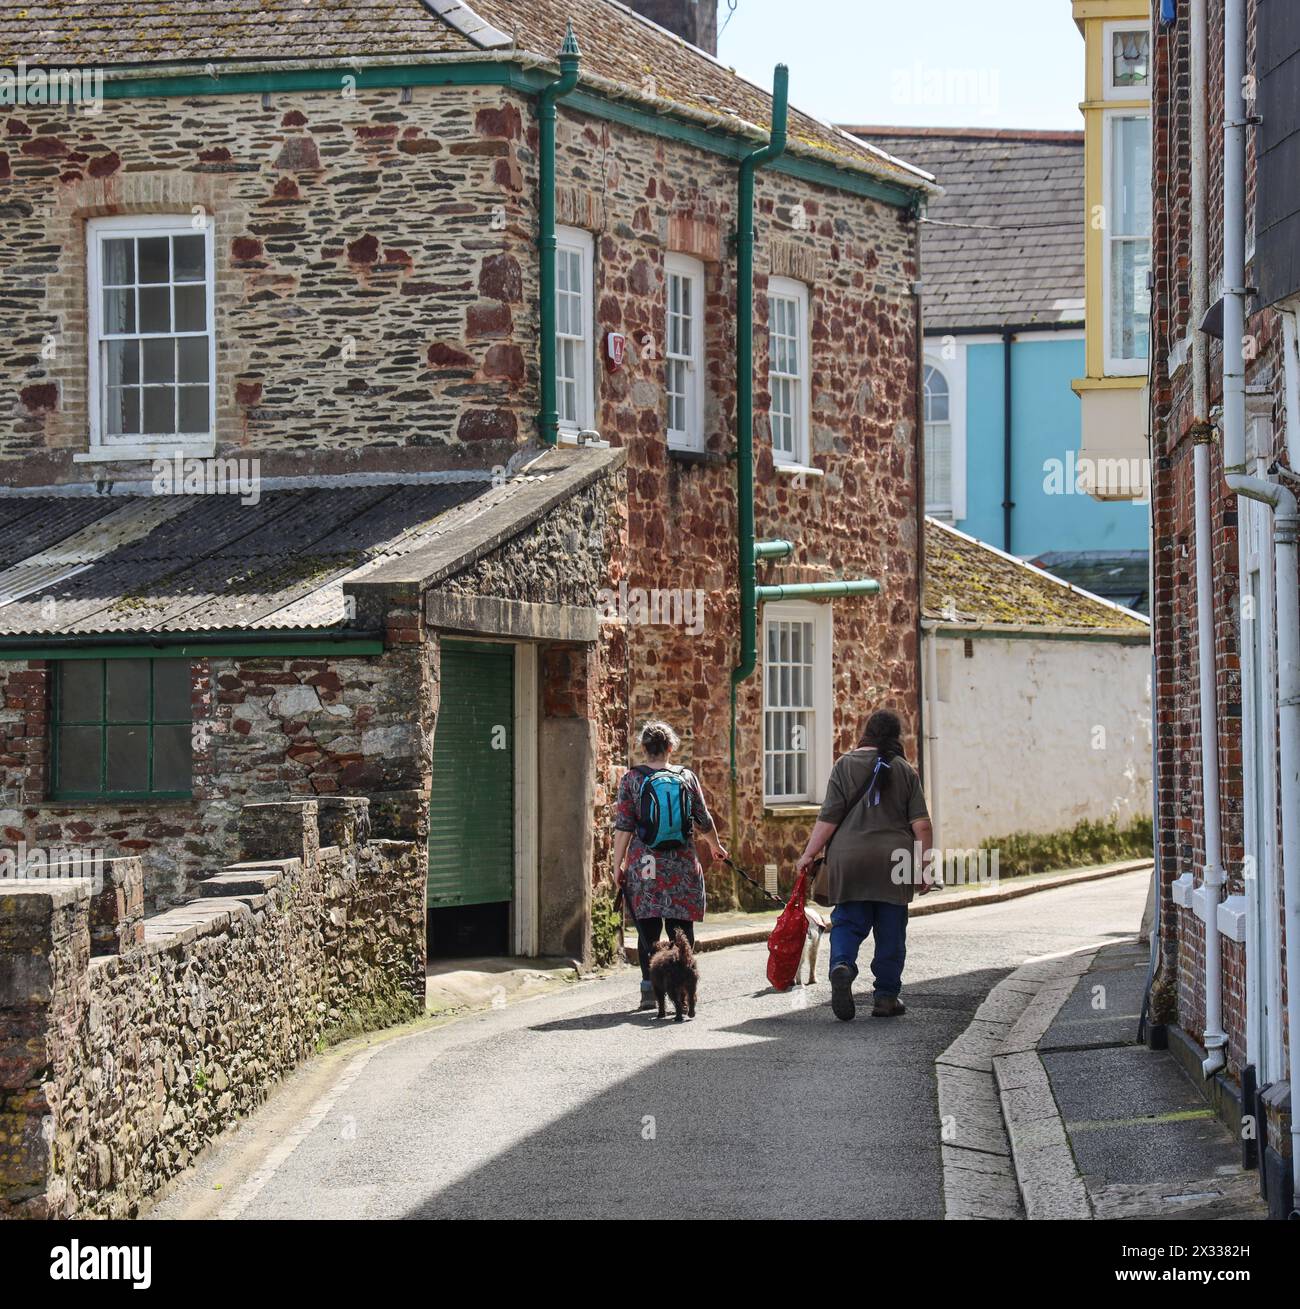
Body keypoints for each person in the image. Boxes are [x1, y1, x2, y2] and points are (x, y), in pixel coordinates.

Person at [795, 709, 935, 1021]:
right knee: (891, 932)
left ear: (866, 732)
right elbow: (922, 827)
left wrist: (808, 854)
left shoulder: (844, 765)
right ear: (896, 737)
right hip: (894, 862)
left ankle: (842, 965)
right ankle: (886, 997)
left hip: (849, 858)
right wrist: (925, 868)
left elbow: (828, 818)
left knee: (847, 922)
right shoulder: (905, 771)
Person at [613, 721, 726, 1010]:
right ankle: (684, 988)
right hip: (682, 865)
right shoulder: (686, 777)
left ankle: (650, 990)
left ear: (644, 748)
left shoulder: (631, 780)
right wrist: (715, 846)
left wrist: (617, 865)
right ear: (671, 747)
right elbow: (703, 819)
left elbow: (624, 826)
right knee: (681, 931)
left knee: (647, 931)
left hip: (645, 865)